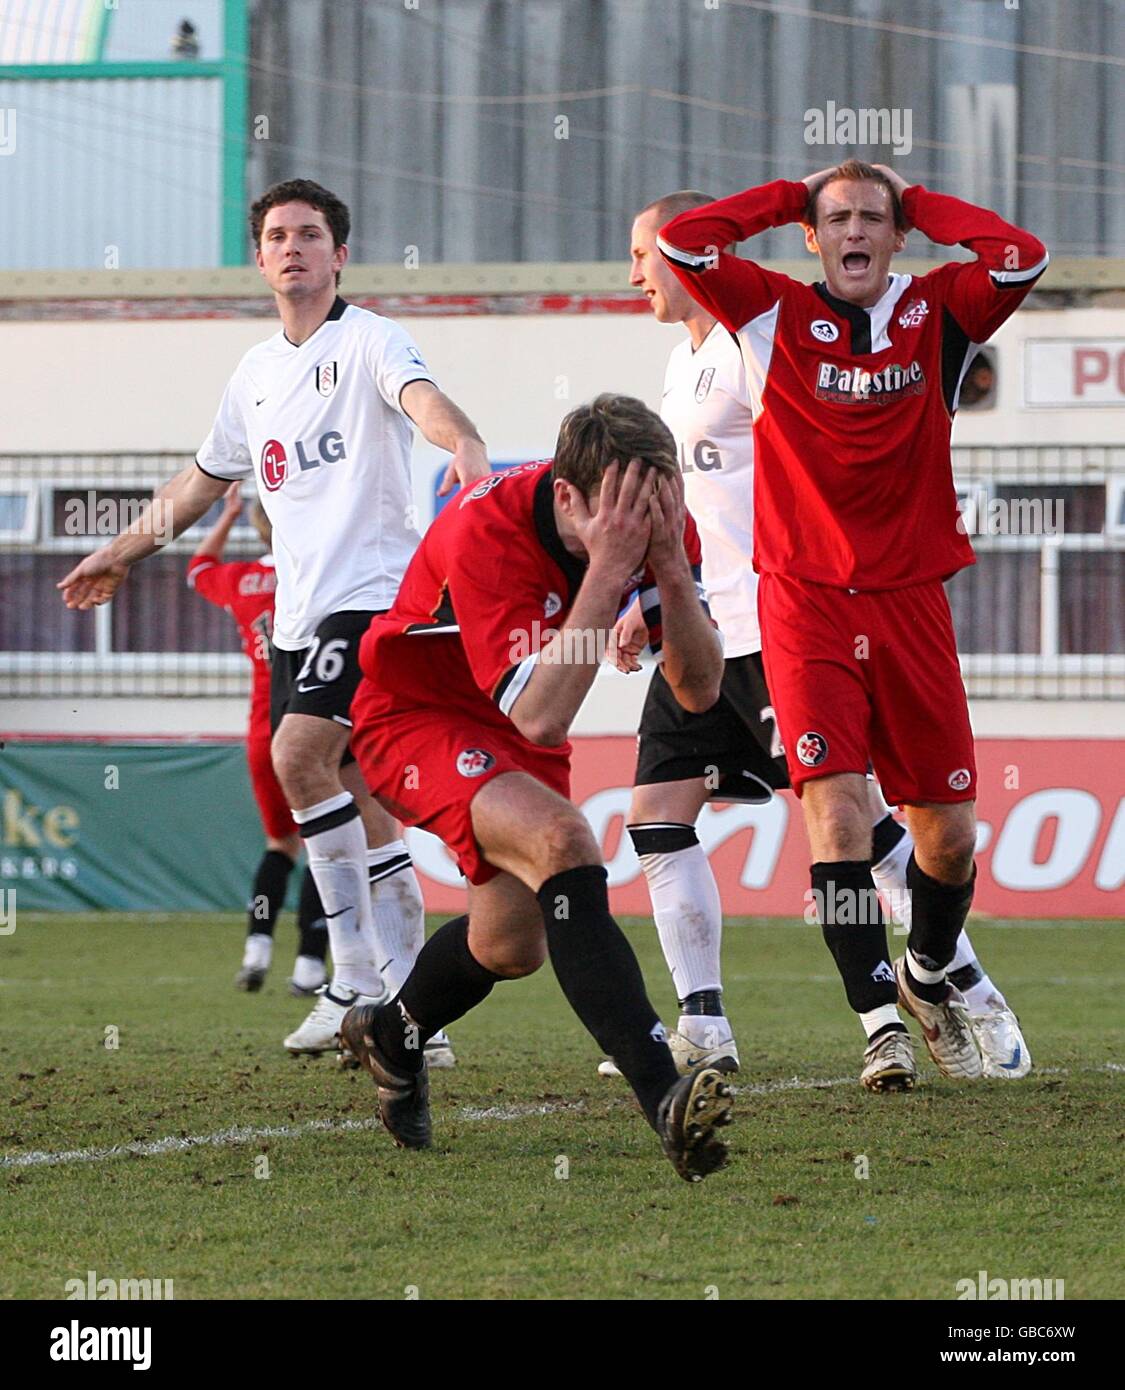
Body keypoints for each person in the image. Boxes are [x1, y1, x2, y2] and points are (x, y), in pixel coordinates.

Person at [602, 189, 1030, 1087]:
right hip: (756, 612)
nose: (639, 269)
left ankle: (946, 973)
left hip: (831, 610)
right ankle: (784, 1022)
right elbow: (700, 506)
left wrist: (896, 199)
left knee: (919, 832)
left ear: (895, 233)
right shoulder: (708, 355)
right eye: (833, 219)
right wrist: (654, 591)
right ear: (809, 235)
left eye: (870, 219)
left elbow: (1018, 254)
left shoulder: (754, 330)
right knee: (694, 814)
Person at [58, 178, 489, 1063]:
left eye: (311, 234)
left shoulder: (370, 339)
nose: (293, 247)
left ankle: (351, 982)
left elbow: (422, 402)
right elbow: (198, 482)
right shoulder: (254, 375)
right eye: (278, 236)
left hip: (371, 598)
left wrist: (465, 444)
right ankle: (418, 1013)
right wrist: (119, 551)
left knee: (298, 756)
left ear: (339, 255)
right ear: (259, 259)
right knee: (364, 800)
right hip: (299, 617)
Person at [340, 395, 735, 1182]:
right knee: (564, 840)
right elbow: (546, 716)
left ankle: (394, 1033)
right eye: (617, 515)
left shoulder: (652, 523)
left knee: (507, 946)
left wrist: (666, 570)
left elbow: (697, 692)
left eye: (656, 507)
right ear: (565, 496)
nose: (640, 524)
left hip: (512, 719)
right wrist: (612, 569)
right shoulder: (487, 528)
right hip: (413, 714)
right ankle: (664, 1096)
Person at [187, 482, 329, 996]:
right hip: (313, 725)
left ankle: (256, 949)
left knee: (278, 845)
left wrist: (225, 517)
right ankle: (311, 966)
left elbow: (197, 569)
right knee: (324, 845)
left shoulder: (242, 579)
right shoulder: (313, 577)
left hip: (261, 731)